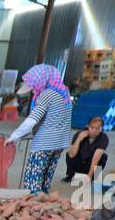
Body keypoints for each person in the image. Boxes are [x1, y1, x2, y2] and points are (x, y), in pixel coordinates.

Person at [6, 64, 73, 195]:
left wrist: (14, 136)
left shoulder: (47, 94)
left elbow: (33, 119)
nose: (32, 90)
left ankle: (33, 202)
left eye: (33, 85)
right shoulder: (64, 92)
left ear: (42, 80)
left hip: (44, 143)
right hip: (59, 143)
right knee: (46, 176)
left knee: (34, 177)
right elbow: (55, 118)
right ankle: (43, 200)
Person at [63, 115, 109, 183]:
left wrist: (89, 176)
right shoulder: (80, 134)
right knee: (69, 152)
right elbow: (71, 155)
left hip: (91, 165)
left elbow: (96, 157)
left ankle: (94, 177)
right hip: (80, 163)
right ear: (88, 126)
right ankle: (71, 175)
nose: (94, 130)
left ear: (101, 128)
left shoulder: (104, 138)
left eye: (97, 128)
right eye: (92, 127)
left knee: (103, 157)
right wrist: (79, 139)